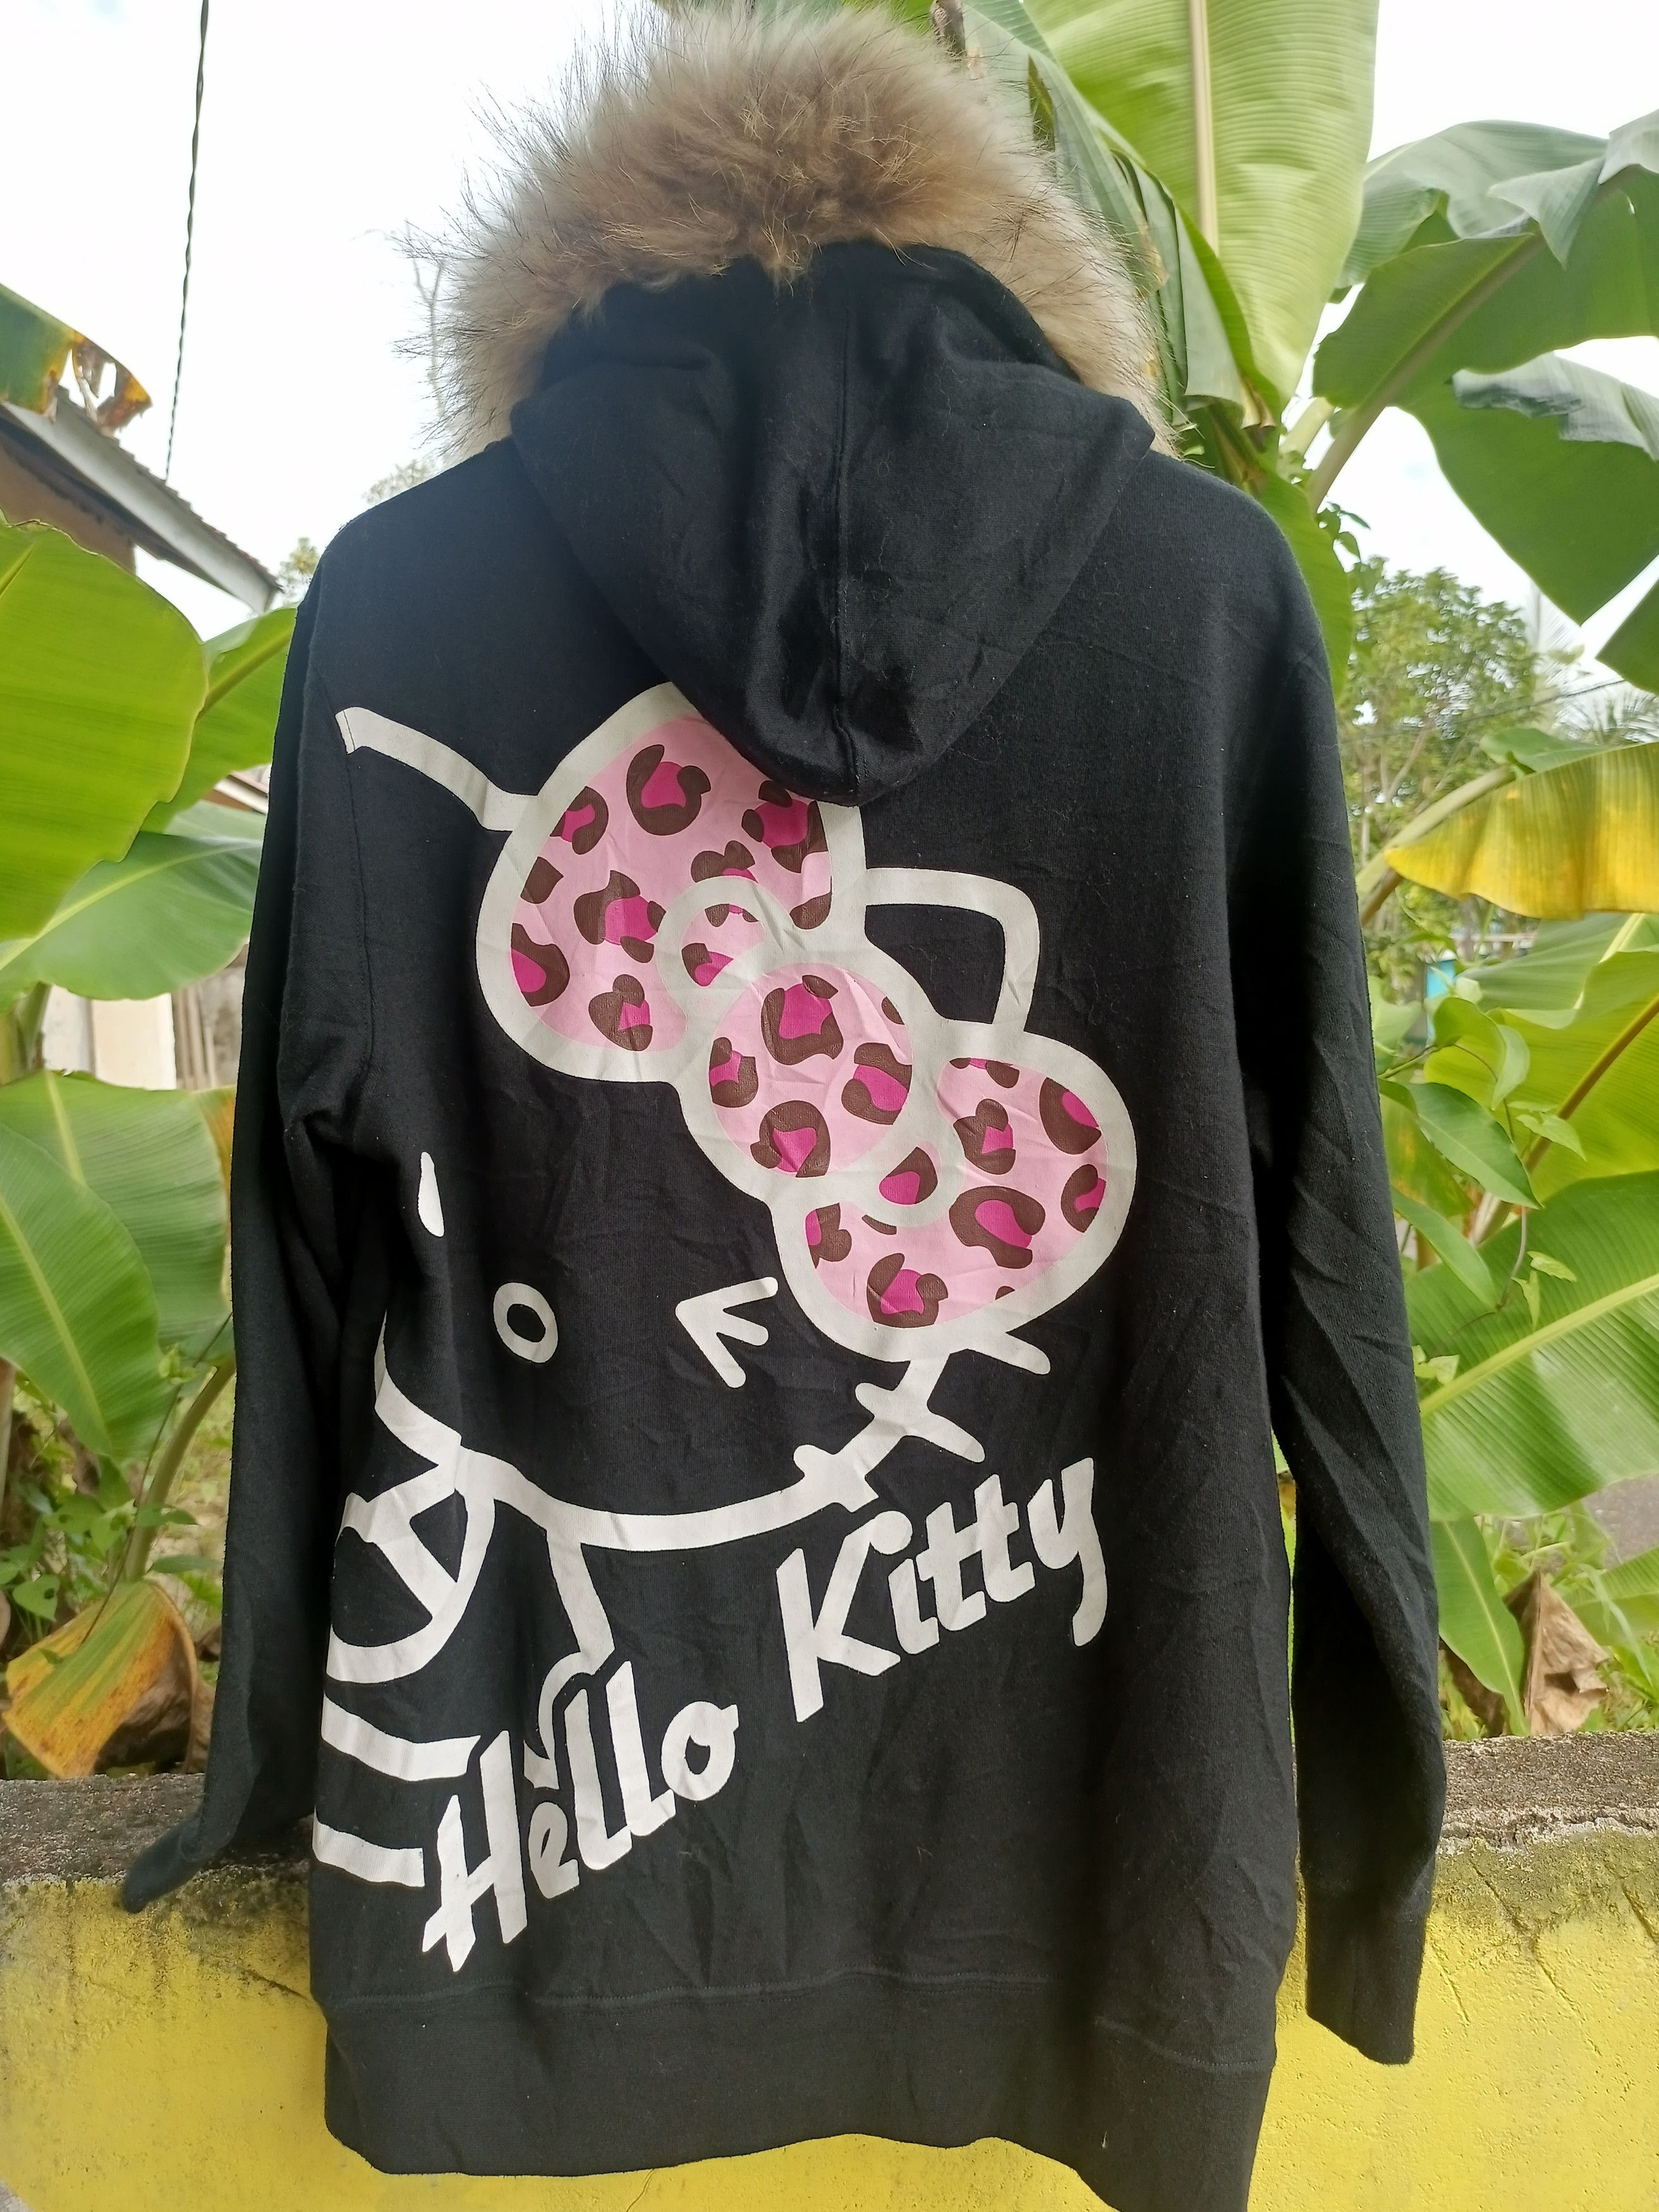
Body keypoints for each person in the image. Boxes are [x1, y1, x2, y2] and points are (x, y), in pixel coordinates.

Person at [126, 12, 1444, 2210]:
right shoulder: (1201, 593)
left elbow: (307, 1228)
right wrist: (1369, 1855)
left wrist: (267, 1752)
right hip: (1093, 1891)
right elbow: (1320, 1237)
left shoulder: (409, 604)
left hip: (540, 1927)